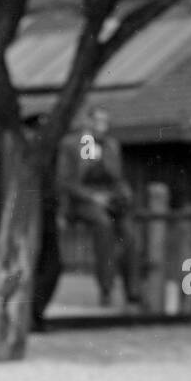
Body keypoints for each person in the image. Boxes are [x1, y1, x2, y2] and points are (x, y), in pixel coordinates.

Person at [57, 105, 139, 307]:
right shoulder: (73, 144)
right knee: (104, 225)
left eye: (105, 122)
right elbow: (66, 180)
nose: (102, 126)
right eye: (98, 121)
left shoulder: (111, 145)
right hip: (83, 201)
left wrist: (123, 193)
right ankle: (106, 288)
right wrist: (93, 197)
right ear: (88, 121)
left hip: (110, 199)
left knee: (130, 235)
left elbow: (117, 178)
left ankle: (133, 291)